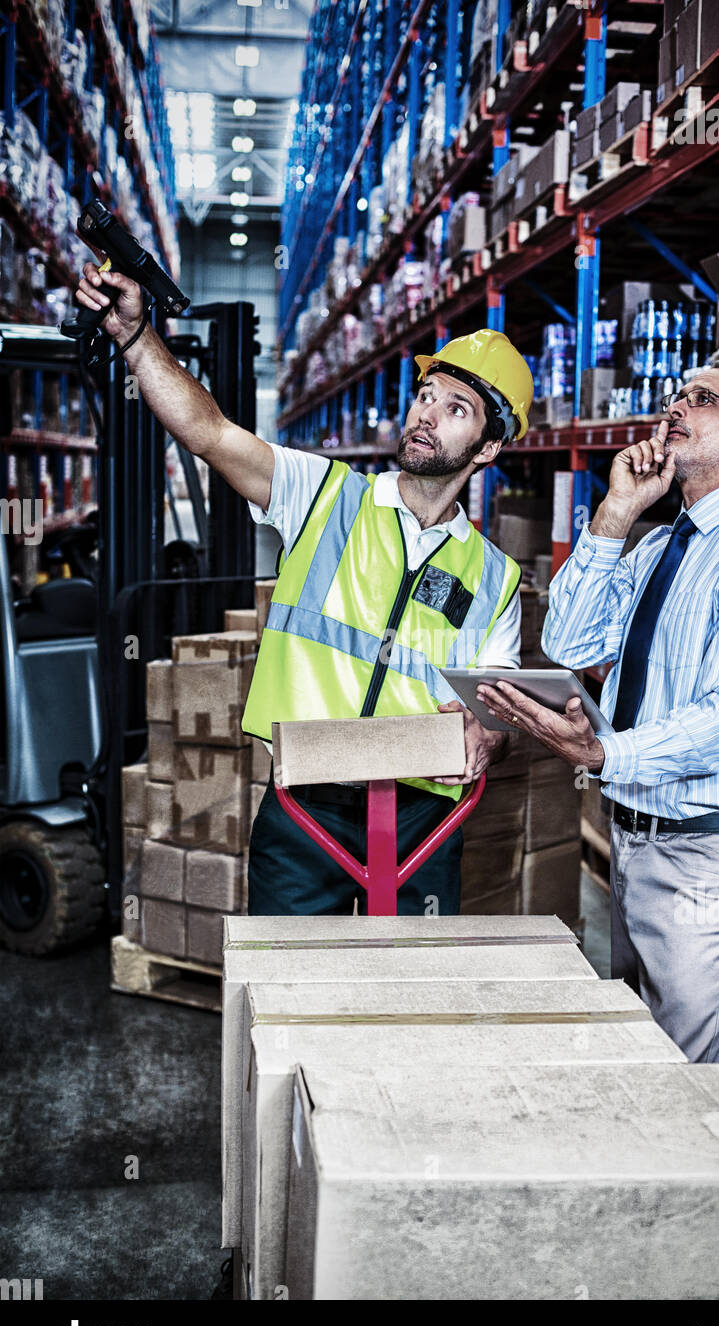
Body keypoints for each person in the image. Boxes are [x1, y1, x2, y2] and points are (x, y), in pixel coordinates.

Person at [74, 261, 533, 915]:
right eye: (427, 394)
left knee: (409, 998)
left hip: (423, 816)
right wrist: (136, 338)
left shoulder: (496, 577)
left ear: (488, 449)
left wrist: (489, 732)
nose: (427, 415)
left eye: (456, 409)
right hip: (306, 796)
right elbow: (208, 432)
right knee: (287, 991)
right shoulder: (325, 495)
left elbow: (497, 703)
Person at [477, 362, 719, 1067]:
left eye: (702, 399)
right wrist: (615, 513)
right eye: (675, 395)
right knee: (643, 1062)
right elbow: (571, 641)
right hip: (637, 842)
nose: (675, 407)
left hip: (713, 858)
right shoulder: (656, 547)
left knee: (687, 1082)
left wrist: (603, 755)